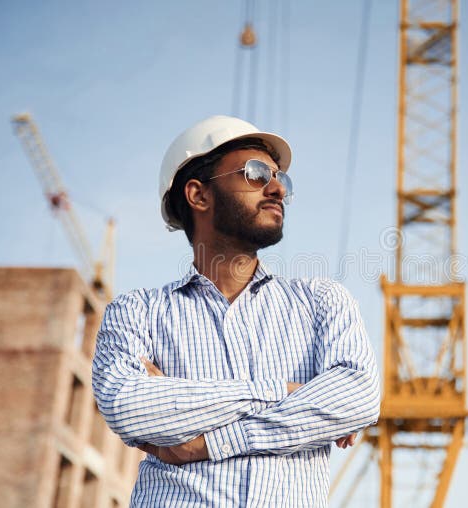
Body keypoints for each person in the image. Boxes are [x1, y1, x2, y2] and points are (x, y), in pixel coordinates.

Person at [92, 115, 381, 507]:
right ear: (199, 195)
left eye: (281, 179)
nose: (277, 188)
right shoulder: (136, 311)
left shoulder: (323, 302)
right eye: (257, 173)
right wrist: (287, 395)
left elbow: (359, 398)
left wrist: (206, 441)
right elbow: (128, 407)